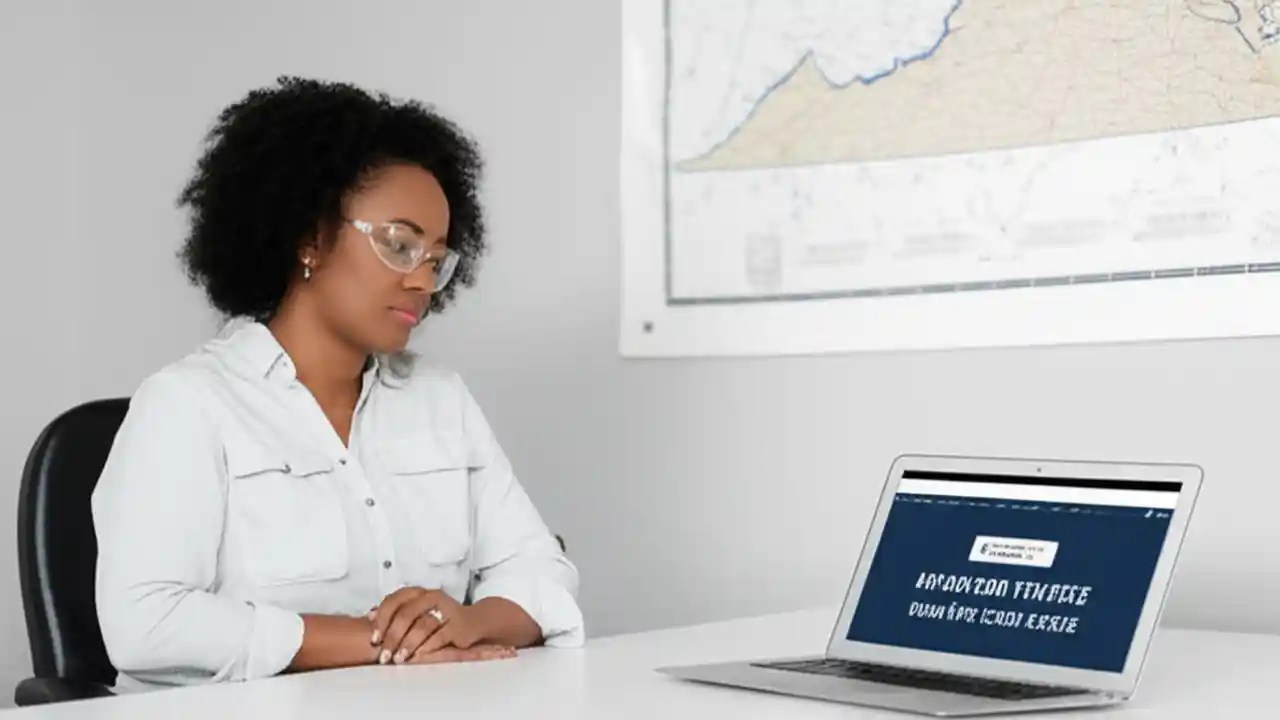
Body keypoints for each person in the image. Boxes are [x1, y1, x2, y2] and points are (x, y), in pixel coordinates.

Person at [92, 77, 583, 691]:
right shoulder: (187, 405)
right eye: (400, 245)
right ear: (310, 236)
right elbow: (145, 622)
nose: (423, 283)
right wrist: (384, 644)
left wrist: (466, 623)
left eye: (436, 260)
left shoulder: (441, 398)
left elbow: (541, 568)